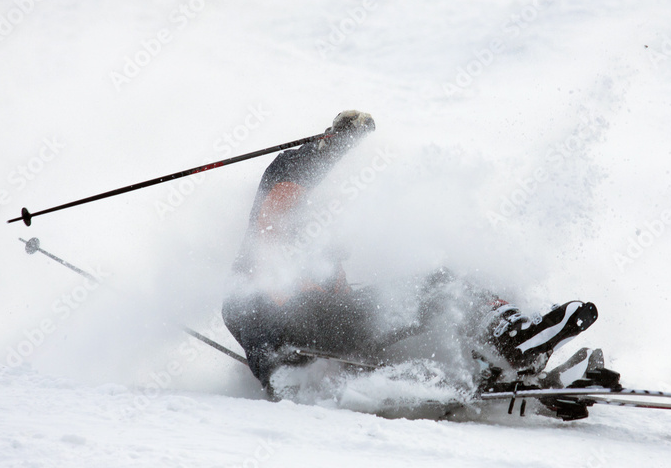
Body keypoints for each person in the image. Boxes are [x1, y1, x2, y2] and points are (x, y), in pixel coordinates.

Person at [222, 110, 600, 400]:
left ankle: (516, 364)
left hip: (302, 338)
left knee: (433, 297)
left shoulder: (314, 250)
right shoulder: (270, 249)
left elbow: (334, 303)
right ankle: (516, 342)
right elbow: (277, 222)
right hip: (288, 333)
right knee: (442, 284)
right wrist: (333, 145)